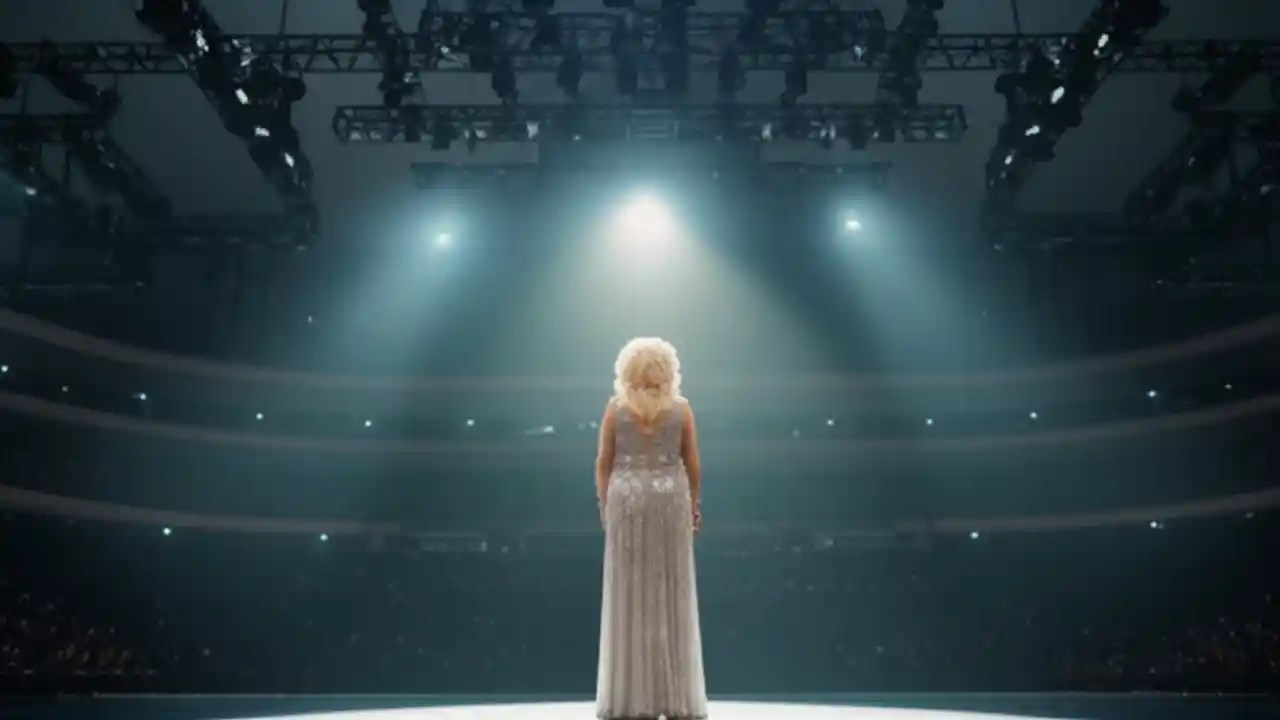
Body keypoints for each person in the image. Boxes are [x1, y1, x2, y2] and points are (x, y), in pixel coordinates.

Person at [595, 337, 709, 720]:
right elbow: (692, 464)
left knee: (629, 592)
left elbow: (603, 463)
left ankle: (630, 697)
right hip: (668, 499)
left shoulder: (616, 409)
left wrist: (604, 505)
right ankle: (671, 695)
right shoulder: (681, 410)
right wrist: (694, 505)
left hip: (626, 499)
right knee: (669, 588)